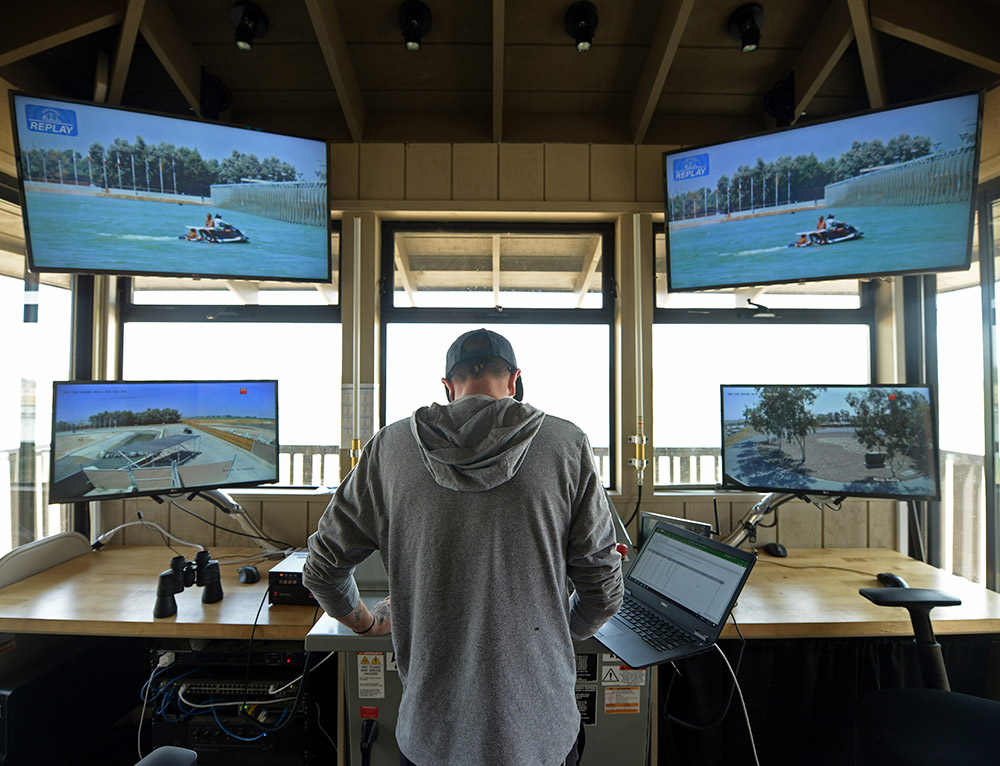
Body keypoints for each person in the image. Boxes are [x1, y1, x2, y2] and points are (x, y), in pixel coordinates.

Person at [303, 328, 624, 766]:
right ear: (514, 380)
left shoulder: (390, 449)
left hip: (432, 737)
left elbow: (322, 569)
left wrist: (366, 624)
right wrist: (555, 628)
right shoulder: (566, 444)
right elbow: (603, 591)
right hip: (539, 735)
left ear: (448, 386)